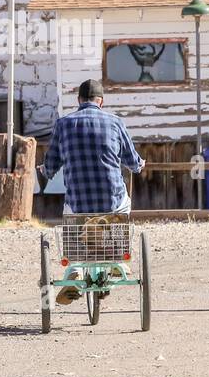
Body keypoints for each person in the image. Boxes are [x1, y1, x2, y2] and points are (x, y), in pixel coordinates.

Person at [41, 79, 145, 304]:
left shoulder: (64, 124)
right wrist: (139, 164)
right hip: (111, 202)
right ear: (101, 101)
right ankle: (118, 258)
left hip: (79, 203)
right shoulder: (115, 122)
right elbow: (132, 161)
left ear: (79, 100)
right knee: (123, 204)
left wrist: (45, 170)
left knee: (71, 212)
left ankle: (75, 268)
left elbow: (50, 166)